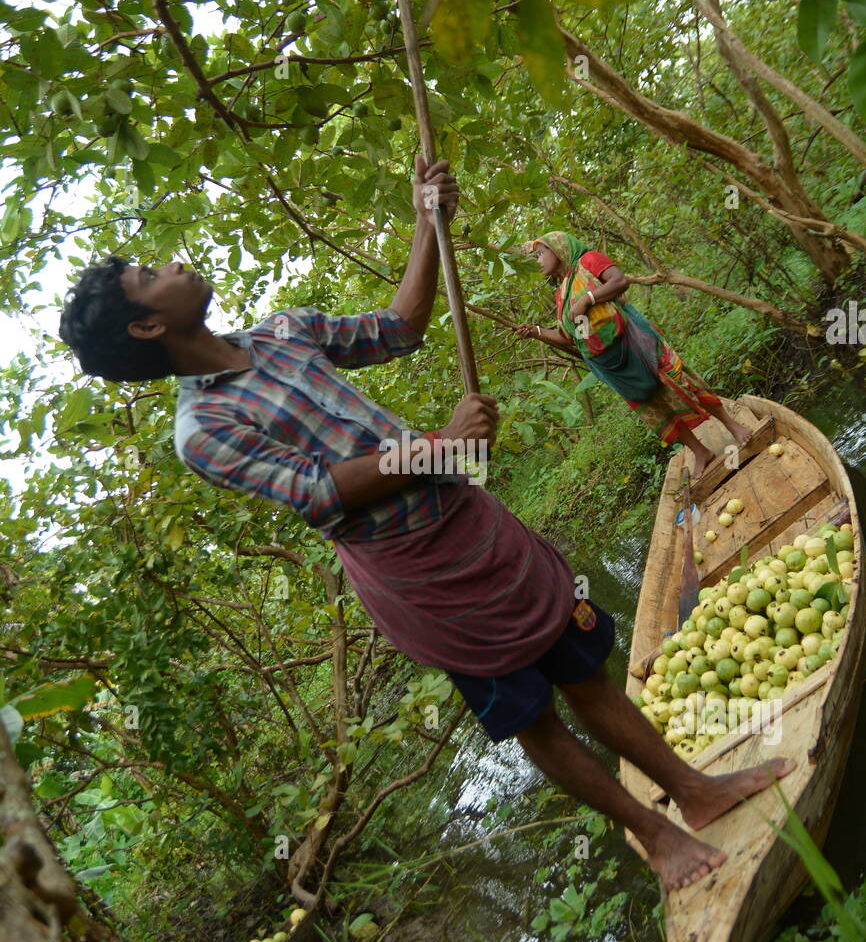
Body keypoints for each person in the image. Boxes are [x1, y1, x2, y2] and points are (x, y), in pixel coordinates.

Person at [57, 160, 794, 892]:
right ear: (149, 323)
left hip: (470, 523)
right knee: (532, 717)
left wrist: (424, 218)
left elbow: (399, 327)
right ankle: (656, 834)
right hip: (423, 581)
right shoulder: (204, 427)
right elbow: (320, 491)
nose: (173, 263)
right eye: (150, 274)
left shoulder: (280, 332)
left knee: (582, 669)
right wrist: (440, 444)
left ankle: (695, 789)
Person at [515, 231, 752, 482]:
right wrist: (537, 332)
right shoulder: (561, 292)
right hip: (608, 362)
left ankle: (733, 426)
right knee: (654, 404)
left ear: (558, 249)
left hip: (635, 340)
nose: (538, 261)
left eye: (541, 254)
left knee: (679, 380)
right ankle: (699, 451)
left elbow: (619, 281)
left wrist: (588, 299)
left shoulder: (588, 261)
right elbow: (567, 337)